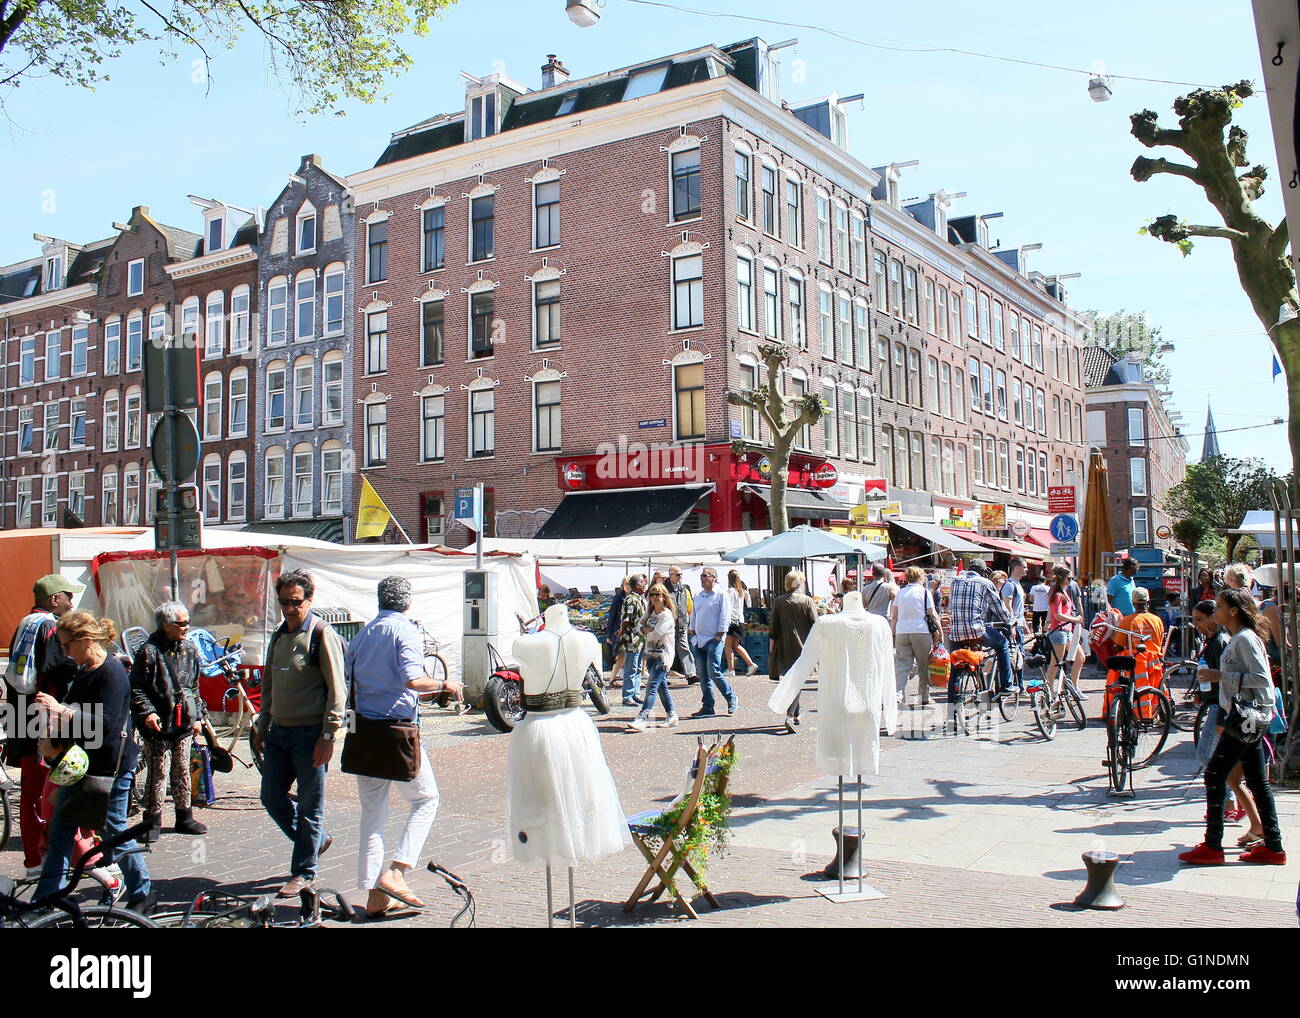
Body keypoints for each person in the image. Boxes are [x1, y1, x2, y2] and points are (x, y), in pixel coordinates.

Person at [348, 577, 461, 916]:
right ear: (408, 602)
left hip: (363, 731)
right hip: (397, 731)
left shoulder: (362, 635)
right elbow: (413, 679)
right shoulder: (405, 631)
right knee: (426, 799)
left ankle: (373, 895)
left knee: (372, 815)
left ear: (379, 600)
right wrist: (446, 683)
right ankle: (397, 871)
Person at [32, 612, 154, 913]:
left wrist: (60, 710)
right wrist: (54, 738)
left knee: (114, 831)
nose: (64, 652)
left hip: (109, 768)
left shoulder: (111, 672)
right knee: (60, 830)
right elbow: (76, 716)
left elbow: (106, 725)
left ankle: (143, 891)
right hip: (79, 766)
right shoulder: (84, 669)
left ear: (86, 640)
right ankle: (48, 898)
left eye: (67, 645)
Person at [252, 569, 347, 897]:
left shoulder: (322, 634)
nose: (290, 608)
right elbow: (269, 684)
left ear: (310, 599)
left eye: (296, 602)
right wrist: (262, 724)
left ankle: (303, 872)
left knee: (310, 805)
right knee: (271, 797)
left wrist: (329, 734)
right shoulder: (279, 636)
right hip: (279, 732)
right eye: (284, 602)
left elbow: (338, 688)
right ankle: (316, 842)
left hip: (310, 735)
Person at [1178, 588, 1287, 865]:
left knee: (1215, 774)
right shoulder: (1239, 638)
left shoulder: (1245, 639)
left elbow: (1262, 679)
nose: (1216, 612)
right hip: (1246, 717)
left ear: (1234, 610)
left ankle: (1213, 845)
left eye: (1220, 607)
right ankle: (1273, 845)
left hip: (1244, 717)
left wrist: (1221, 675)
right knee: (1256, 782)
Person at [3, 575, 79, 877]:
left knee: (30, 792)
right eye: (69, 597)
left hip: (21, 717)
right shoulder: (49, 627)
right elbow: (60, 669)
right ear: (54, 600)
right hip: (45, 722)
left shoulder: (24, 624)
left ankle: (33, 860)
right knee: (51, 790)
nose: (72, 603)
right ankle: (51, 859)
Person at [128, 601, 207, 842]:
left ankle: (184, 816)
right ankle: (152, 819)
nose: (186, 627)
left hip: (183, 720)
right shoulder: (148, 651)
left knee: (182, 768)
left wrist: (199, 717)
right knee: (158, 771)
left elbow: (194, 686)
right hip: (158, 723)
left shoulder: (190, 648)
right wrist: (148, 712)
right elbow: (136, 688)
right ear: (165, 625)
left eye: (188, 622)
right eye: (181, 623)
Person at [1189, 599, 1248, 835]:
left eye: (1199, 619)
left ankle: (1231, 801)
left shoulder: (1221, 642)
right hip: (1215, 704)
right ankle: (1229, 802)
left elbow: (1227, 677)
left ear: (1214, 617)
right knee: (1215, 757)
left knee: (1206, 755)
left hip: (1222, 707)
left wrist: (1223, 712)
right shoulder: (1213, 641)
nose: (1195, 624)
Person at [947, 559, 1017, 707]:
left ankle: (951, 707)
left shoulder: (955, 581)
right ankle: (1006, 685)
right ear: (984, 571)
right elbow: (998, 607)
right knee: (1002, 644)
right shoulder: (985, 583)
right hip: (976, 630)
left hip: (955, 632)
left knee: (955, 664)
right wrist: (1010, 622)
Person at [769, 569, 819, 732]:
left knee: (792, 679)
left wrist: (772, 648)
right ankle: (790, 715)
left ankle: (795, 713)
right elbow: (815, 625)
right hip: (804, 646)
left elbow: (773, 628)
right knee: (797, 681)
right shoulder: (807, 601)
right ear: (799, 584)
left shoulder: (778, 601)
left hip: (784, 646)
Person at [627, 584, 678, 730]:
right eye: (652, 594)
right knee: (661, 687)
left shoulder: (666, 615)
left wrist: (646, 630)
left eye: (658, 594)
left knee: (651, 686)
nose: (655, 597)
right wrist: (646, 629)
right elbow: (638, 627)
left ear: (664, 597)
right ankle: (672, 714)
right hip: (650, 654)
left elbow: (656, 634)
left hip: (663, 656)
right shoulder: (650, 612)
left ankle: (643, 717)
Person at [688, 568, 737, 717]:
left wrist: (720, 633)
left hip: (713, 639)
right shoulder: (698, 595)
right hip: (699, 639)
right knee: (703, 674)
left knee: (713, 671)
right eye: (701, 576)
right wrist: (692, 632)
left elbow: (725, 615)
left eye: (705, 576)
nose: (702, 579)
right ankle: (708, 706)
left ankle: (731, 696)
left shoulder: (721, 594)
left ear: (713, 578)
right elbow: (694, 614)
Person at [892, 566, 942, 709]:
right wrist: (940, 631)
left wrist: (893, 632)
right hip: (920, 631)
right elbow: (932, 614)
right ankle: (924, 696)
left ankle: (898, 695)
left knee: (902, 665)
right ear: (921, 577)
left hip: (902, 631)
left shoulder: (900, 593)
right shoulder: (925, 593)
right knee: (923, 664)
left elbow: (894, 615)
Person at [1046, 568, 1085, 699]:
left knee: (1080, 657)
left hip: (1066, 630)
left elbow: (1052, 614)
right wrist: (1075, 619)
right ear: (1062, 578)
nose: (1071, 580)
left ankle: (1073, 686)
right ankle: (1050, 689)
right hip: (1059, 630)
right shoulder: (1057, 594)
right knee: (1056, 662)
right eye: (1069, 578)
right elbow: (1057, 615)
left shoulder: (1063, 592)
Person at [618, 573, 649, 706]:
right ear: (637, 585)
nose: (645, 586)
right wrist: (622, 634)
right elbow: (626, 621)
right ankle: (627, 695)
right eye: (643, 583)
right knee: (631, 668)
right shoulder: (631, 600)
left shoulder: (641, 599)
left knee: (637, 668)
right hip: (632, 638)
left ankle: (636, 694)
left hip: (640, 638)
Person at [723, 569, 759, 676]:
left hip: (732, 621)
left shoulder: (730, 592)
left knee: (728, 646)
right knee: (736, 645)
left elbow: (727, 607)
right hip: (740, 621)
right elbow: (749, 604)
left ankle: (731, 669)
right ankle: (750, 664)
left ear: (729, 579)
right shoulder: (742, 591)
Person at [664, 567, 697, 683]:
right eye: (678, 575)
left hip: (682, 623)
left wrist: (689, 622)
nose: (680, 577)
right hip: (668, 625)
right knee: (667, 649)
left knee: (684, 647)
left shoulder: (683, 589)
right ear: (670, 575)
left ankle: (691, 674)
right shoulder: (664, 589)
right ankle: (662, 676)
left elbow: (689, 606)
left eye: (681, 574)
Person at [1001, 558, 1028, 688]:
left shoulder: (1017, 584)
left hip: (1018, 624)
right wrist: (1012, 625)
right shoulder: (1010, 585)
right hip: (1013, 626)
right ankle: (1018, 685)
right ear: (1017, 568)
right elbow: (1007, 605)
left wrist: (1024, 624)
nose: (1026, 569)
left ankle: (1019, 684)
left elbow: (1018, 607)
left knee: (1019, 655)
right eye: (1025, 567)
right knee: (1017, 654)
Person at [606, 577, 628, 680]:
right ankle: (615, 676)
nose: (628, 586)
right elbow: (612, 616)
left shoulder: (636, 597)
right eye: (626, 584)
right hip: (618, 630)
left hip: (630, 631)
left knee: (624, 655)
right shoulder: (618, 598)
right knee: (621, 654)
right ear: (622, 586)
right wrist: (609, 634)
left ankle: (615, 676)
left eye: (630, 584)